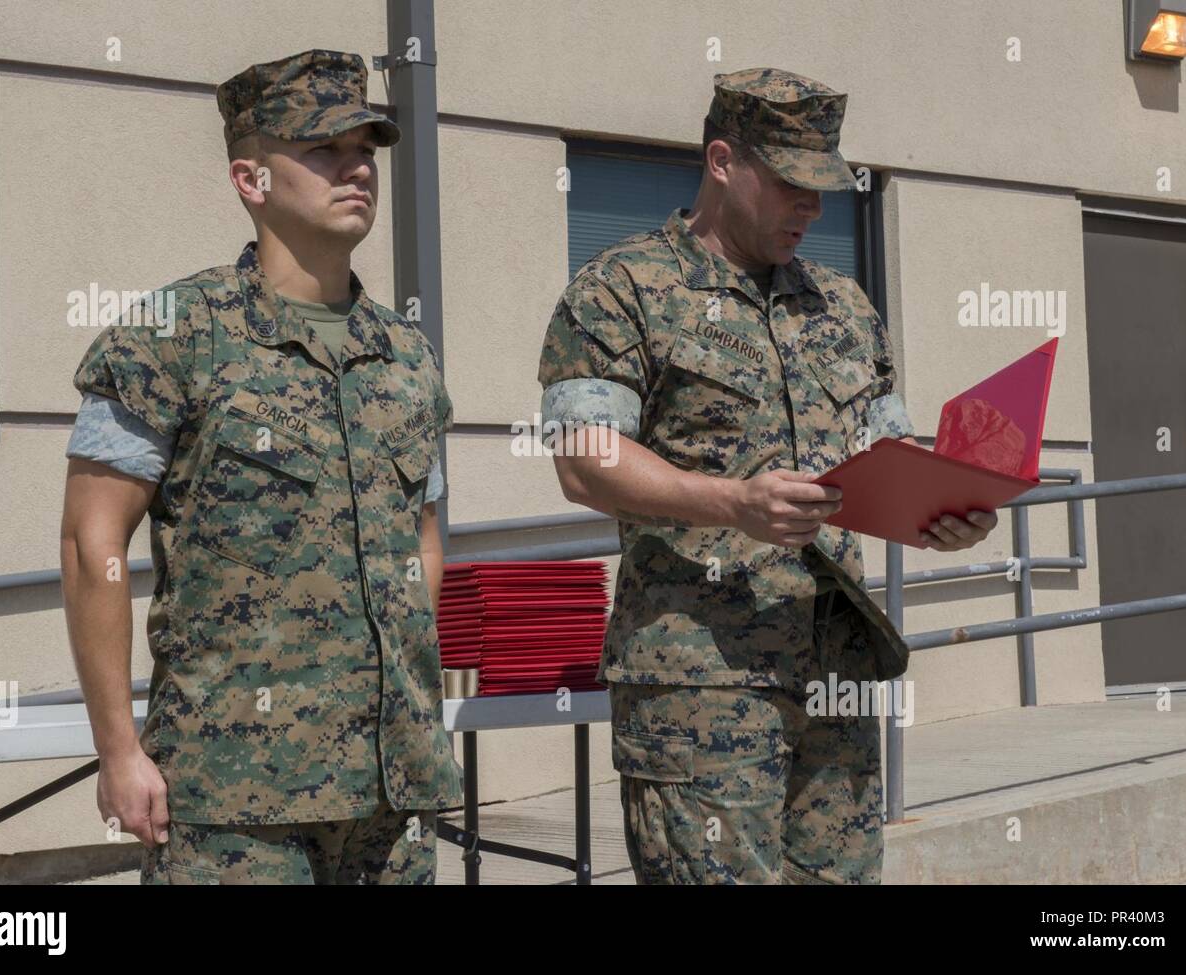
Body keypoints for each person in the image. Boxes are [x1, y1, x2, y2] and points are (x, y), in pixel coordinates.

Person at [537, 68, 997, 884]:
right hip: (699, 684)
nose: (814, 208)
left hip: (836, 676)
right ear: (721, 161)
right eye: (792, 185)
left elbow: (885, 453)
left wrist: (942, 508)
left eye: (825, 187)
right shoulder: (622, 289)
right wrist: (730, 504)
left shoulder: (845, 308)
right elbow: (583, 458)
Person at [59, 49, 461, 885]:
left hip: (392, 793)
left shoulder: (408, 359)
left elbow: (423, 539)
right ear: (252, 179)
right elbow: (89, 541)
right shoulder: (171, 335)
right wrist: (117, 747)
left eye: (367, 148)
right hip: (234, 802)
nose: (356, 167)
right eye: (323, 149)